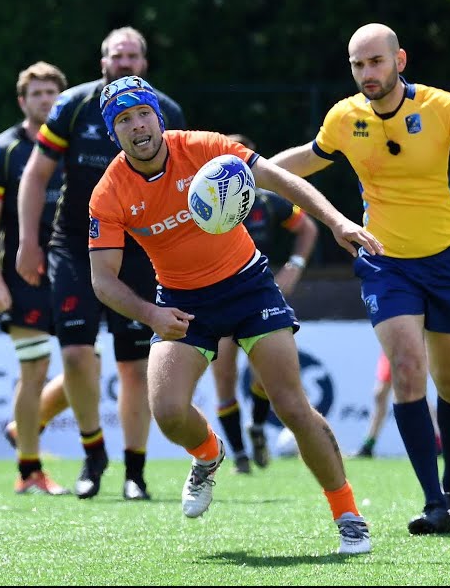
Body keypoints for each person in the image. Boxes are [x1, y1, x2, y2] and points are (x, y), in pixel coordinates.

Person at [88, 76, 377, 555]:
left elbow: (278, 179)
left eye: (143, 113)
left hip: (248, 285)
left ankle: (348, 515)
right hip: (183, 301)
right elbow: (103, 280)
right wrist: (151, 314)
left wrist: (336, 221)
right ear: (112, 132)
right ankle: (208, 454)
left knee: (291, 404)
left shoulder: (203, 148)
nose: (137, 126)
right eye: (123, 120)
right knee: (168, 413)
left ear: (158, 117)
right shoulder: (110, 192)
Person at [270, 24, 450, 535]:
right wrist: (250, 173)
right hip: (385, 262)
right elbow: (310, 158)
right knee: (407, 369)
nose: (367, 73)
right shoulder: (344, 117)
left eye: (376, 62)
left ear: (399, 60)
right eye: (358, 64)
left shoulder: (442, 108)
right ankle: (434, 503)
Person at [16, 27, 185, 501]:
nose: (124, 62)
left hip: (141, 247)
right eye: (116, 55)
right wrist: (27, 241)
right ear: (103, 60)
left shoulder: (167, 111)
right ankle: (94, 454)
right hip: (76, 243)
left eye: (133, 56)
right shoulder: (72, 105)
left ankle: (135, 471)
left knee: (135, 365)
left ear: (144, 63)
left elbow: (179, 182)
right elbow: (36, 175)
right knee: (75, 353)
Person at [0, 61, 72, 495]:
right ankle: (29, 469)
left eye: (52, 93)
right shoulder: (1, 151)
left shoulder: (77, 145)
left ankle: (24, 427)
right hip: (23, 275)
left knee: (86, 367)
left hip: (74, 273)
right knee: (34, 368)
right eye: (36, 93)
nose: (45, 100)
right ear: (22, 101)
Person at [209, 133, 319, 475]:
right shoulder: (205, 201)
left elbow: (308, 229)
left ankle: (256, 426)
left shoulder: (268, 201)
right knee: (224, 376)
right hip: (216, 298)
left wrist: (294, 266)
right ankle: (240, 456)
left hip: (257, 297)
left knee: (262, 376)